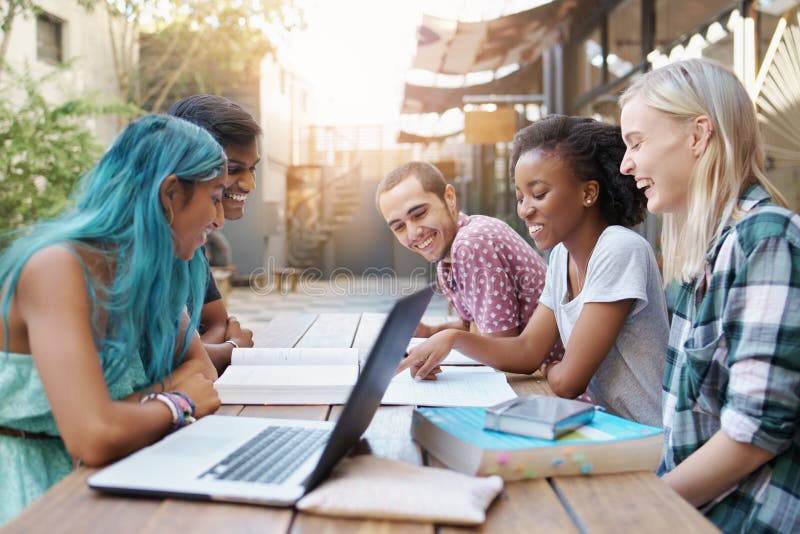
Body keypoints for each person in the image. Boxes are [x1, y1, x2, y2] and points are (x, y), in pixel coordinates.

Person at [0, 115, 224, 525]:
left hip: (119, 473)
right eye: (215, 196)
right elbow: (94, 435)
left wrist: (126, 410)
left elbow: (203, 371)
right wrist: (177, 400)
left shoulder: (152, 272)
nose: (220, 219)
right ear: (171, 194)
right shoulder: (57, 268)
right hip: (34, 495)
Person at [619, 58, 800, 531]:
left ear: (699, 136)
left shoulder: (767, 238)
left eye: (637, 143)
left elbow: (754, 434)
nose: (626, 164)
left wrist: (634, 509)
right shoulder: (702, 256)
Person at [399, 117, 669, 427]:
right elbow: (528, 353)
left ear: (588, 193)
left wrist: (551, 369)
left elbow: (568, 382)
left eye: (539, 194)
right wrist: (452, 338)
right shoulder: (561, 257)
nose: (525, 209)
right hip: (606, 425)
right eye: (520, 197)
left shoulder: (620, 249)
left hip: (650, 438)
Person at [376, 161, 558, 363]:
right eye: (399, 227)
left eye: (419, 214)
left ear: (450, 198)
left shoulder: (471, 244)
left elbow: (500, 349)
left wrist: (452, 339)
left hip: (549, 377)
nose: (413, 233)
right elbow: (473, 326)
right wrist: (431, 332)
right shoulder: (448, 256)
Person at [168, 95, 261, 372]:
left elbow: (217, 323)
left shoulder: (193, 247)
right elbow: (161, 359)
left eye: (253, 168)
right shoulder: (134, 255)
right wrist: (228, 351)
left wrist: (202, 353)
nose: (250, 184)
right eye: (232, 169)